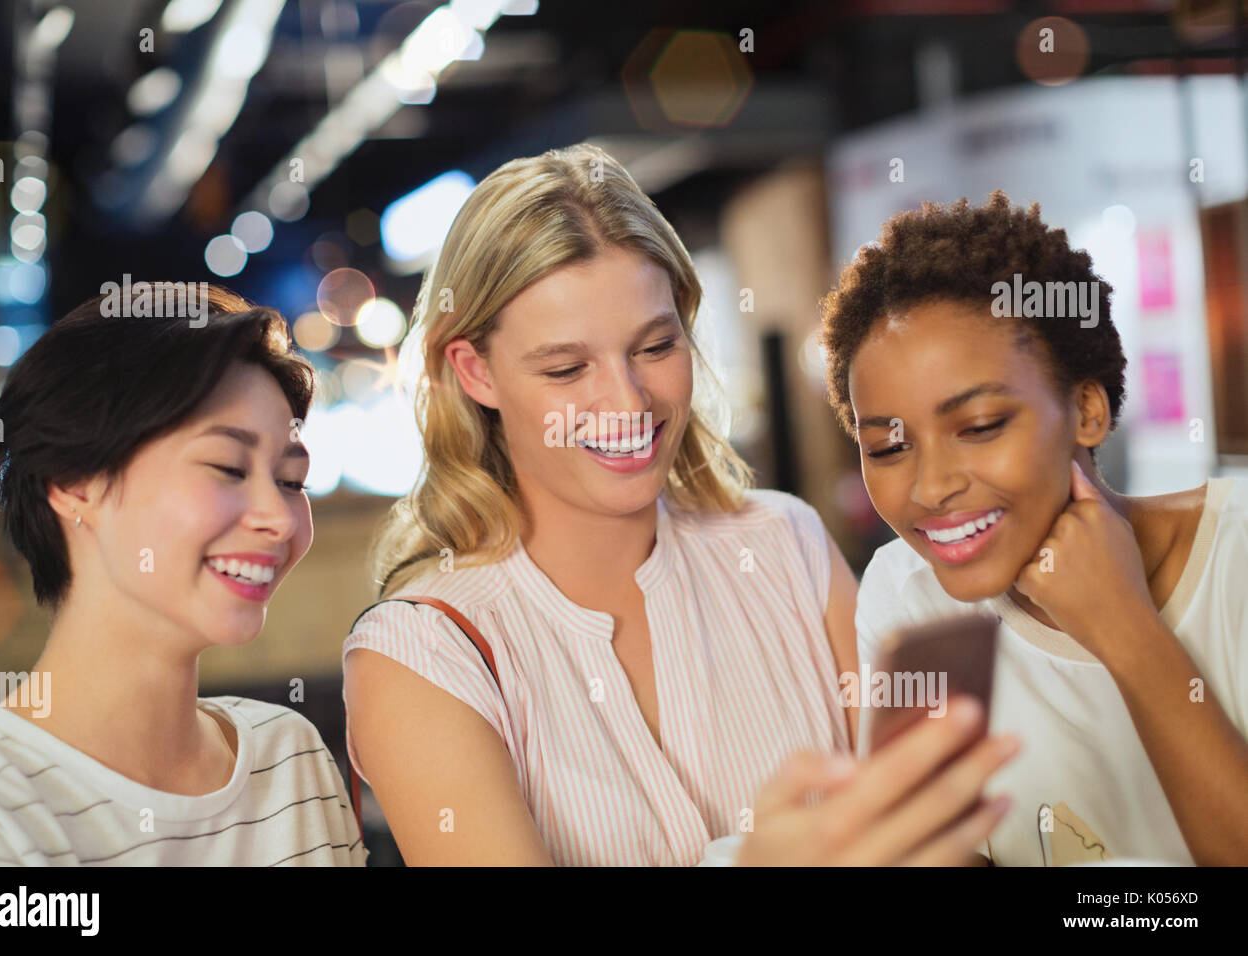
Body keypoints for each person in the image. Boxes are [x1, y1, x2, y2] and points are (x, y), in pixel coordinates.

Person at [343, 143, 1019, 866]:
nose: (628, 402)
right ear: (474, 371)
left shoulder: (785, 544)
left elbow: (933, 845)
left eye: (655, 347)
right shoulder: (422, 653)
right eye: (567, 368)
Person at [821, 192, 1248, 865]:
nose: (932, 488)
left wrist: (1124, 627)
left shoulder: (1236, 561)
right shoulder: (908, 597)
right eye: (889, 447)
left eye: (982, 427)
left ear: (1086, 410)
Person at [0, 286, 365, 866]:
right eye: (227, 467)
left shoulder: (290, 757)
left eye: (291, 481)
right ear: (75, 483)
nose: (276, 517)